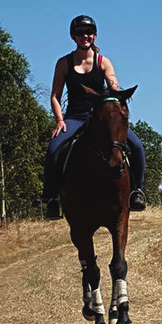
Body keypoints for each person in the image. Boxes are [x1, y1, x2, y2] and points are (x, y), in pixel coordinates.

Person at [42, 15, 146, 219]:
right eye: (80, 32)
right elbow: (55, 96)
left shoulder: (103, 62)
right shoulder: (64, 63)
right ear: (73, 36)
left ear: (95, 35)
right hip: (74, 117)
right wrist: (60, 120)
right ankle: (51, 199)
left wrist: (116, 92)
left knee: (137, 146)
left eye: (88, 32)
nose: (85, 36)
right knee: (53, 149)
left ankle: (137, 191)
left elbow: (113, 84)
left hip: (101, 118)